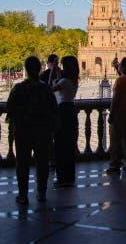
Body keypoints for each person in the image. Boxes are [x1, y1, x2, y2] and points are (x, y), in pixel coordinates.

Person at [6, 55, 58, 204]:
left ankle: (23, 194)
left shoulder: (18, 88)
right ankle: (41, 192)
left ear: (26, 70)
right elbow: (54, 109)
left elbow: (9, 108)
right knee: (42, 162)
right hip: (43, 131)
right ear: (40, 69)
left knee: (22, 163)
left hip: (23, 131)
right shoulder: (46, 89)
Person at [106, 57, 126, 174]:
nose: (118, 67)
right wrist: (117, 66)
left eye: (120, 66)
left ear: (124, 67)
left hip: (119, 113)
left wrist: (111, 114)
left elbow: (115, 99)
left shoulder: (120, 80)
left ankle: (115, 164)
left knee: (115, 140)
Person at [51, 56, 79, 188]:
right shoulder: (72, 80)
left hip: (63, 112)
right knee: (69, 146)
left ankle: (63, 177)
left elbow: (49, 88)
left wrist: (52, 70)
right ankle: (69, 176)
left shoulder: (64, 82)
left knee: (61, 146)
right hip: (71, 111)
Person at [39, 54, 61, 167]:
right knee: (58, 137)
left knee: (47, 138)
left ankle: (48, 160)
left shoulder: (43, 75)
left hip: (46, 110)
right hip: (58, 108)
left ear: (48, 63)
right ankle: (55, 160)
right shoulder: (61, 74)